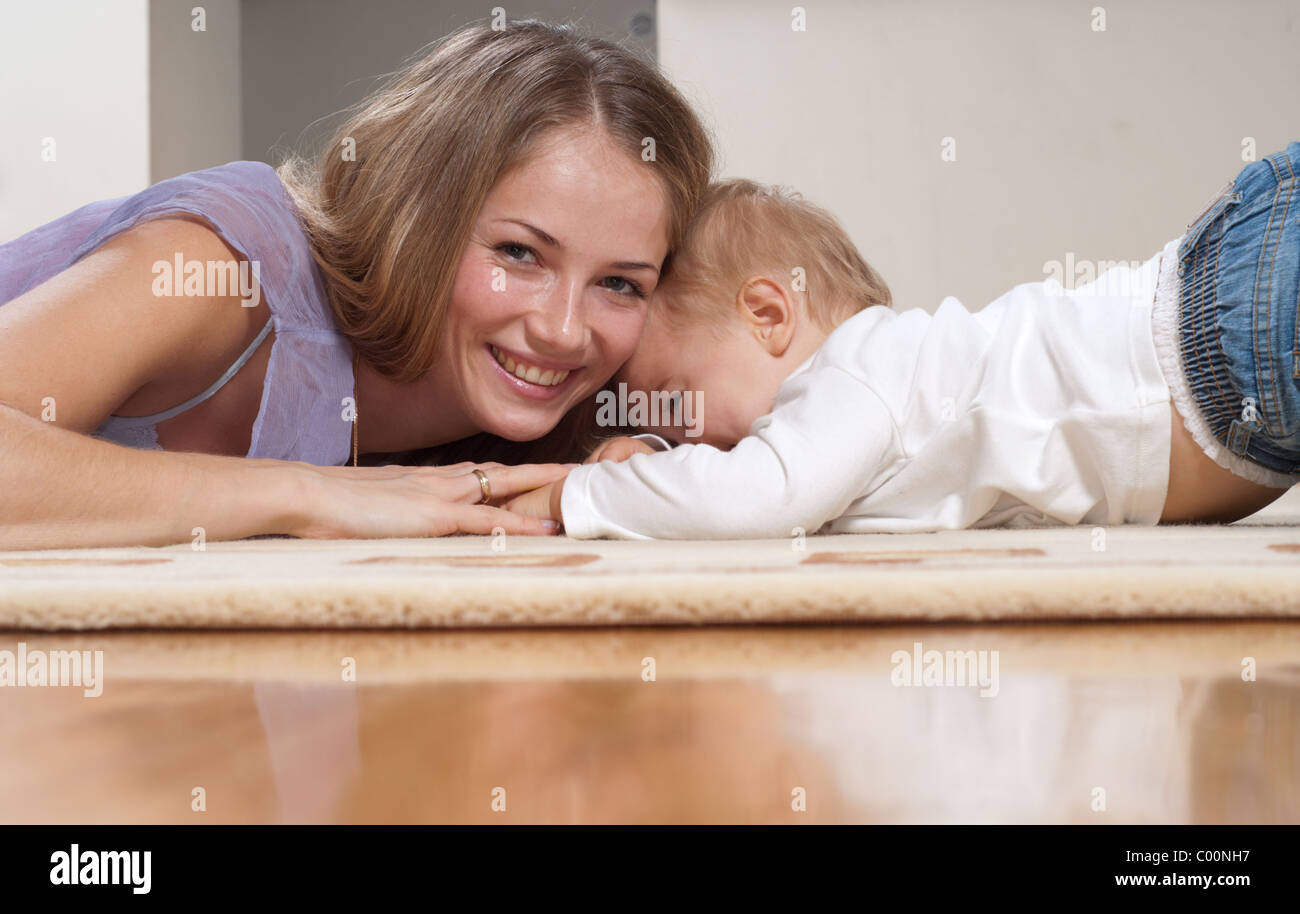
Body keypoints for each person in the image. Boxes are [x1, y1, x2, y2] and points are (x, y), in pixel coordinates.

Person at [0, 20, 713, 550]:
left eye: (620, 283)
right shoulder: (226, 265)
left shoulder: (580, 410)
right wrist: (302, 495)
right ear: (420, 218)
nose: (562, 329)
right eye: (519, 252)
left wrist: (641, 468)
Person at [509, 148, 1300, 537]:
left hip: (1234, 323)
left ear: (769, 315)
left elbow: (759, 498)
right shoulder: (883, 426)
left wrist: (573, 497)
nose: (691, 441)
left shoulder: (853, 372)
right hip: (1243, 358)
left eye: (680, 403)